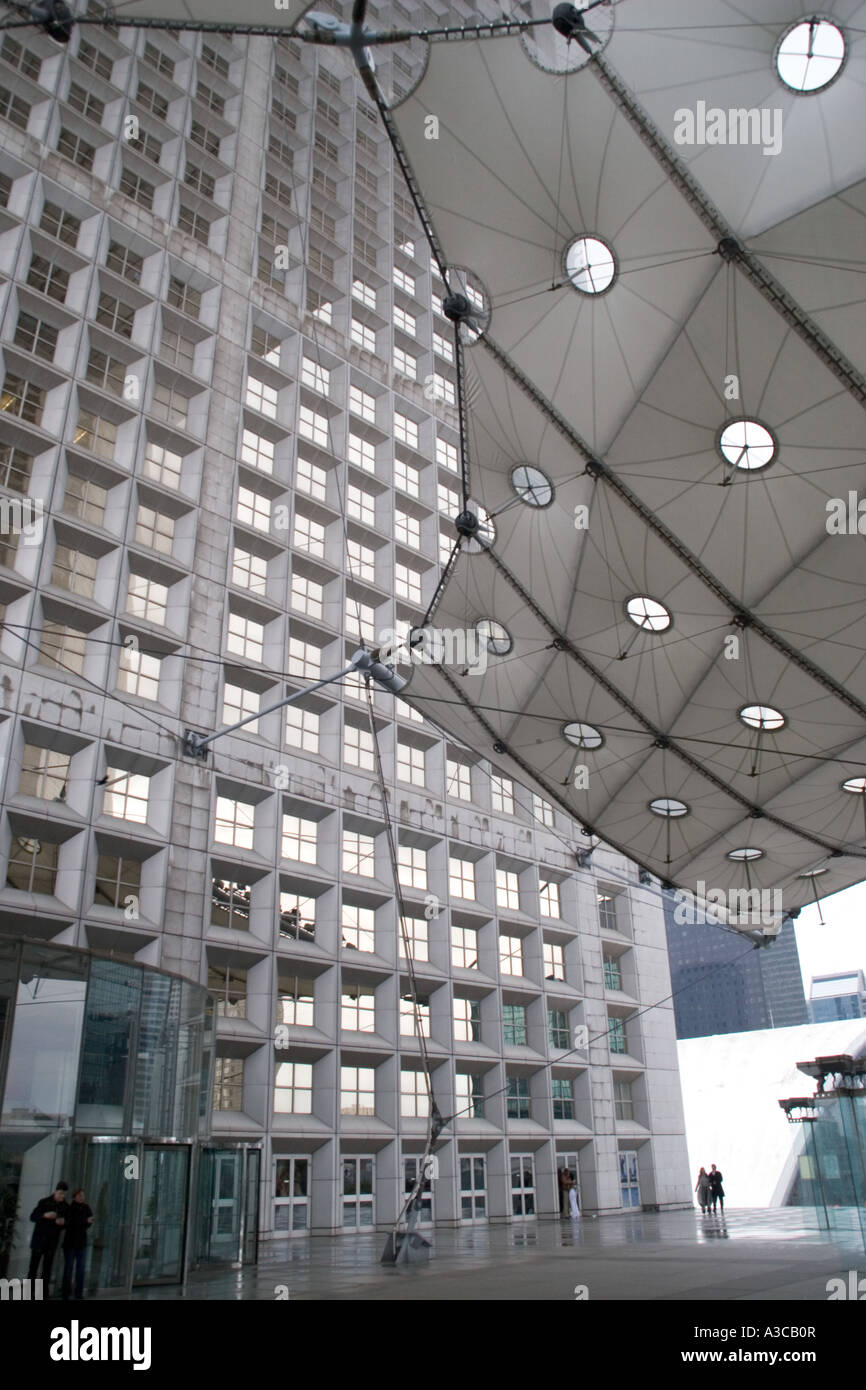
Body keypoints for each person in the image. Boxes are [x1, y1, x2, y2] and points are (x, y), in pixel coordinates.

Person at [28, 1181, 69, 1291]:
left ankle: (42, 1292)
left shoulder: (65, 1206)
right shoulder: (44, 1202)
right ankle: (29, 1292)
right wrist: (45, 1215)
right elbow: (33, 1216)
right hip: (39, 1240)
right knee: (33, 1268)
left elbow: (68, 1222)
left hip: (52, 1242)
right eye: (60, 1193)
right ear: (55, 1191)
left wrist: (63, 1223)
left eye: (64, 1194)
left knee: (47, 1268)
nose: (62, 1196)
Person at [61, 1189, 94, 1300]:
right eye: (79, 1195)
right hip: (70, 1243)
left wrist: (88, 1222)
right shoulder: (70, 1208)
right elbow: (71, 1224)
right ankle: (65, 1293)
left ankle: (78, 1293)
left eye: (83, 1196)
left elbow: (88, 1222)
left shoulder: (86, 1208)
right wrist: (85, 1221)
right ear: (74, 1197)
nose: (82, 1197)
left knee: (81, 1269)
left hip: (81, 1243)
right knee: (68, 1269)